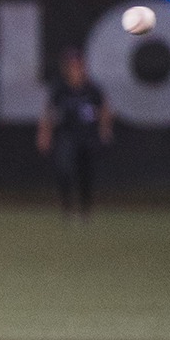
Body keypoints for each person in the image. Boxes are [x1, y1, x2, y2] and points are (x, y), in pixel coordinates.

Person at [36, 48, 114, 220]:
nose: (74, 68)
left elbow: (104, 109)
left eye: (77, 64)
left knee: (86, 173)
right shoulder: (60, 89)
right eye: (70, 65)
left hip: (88, 136)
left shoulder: (92, 88)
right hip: (66, 135)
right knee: (64, 169)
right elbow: (48, 112)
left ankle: (85, 210)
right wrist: (44, 135)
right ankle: (67, 208)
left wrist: (105, 129)